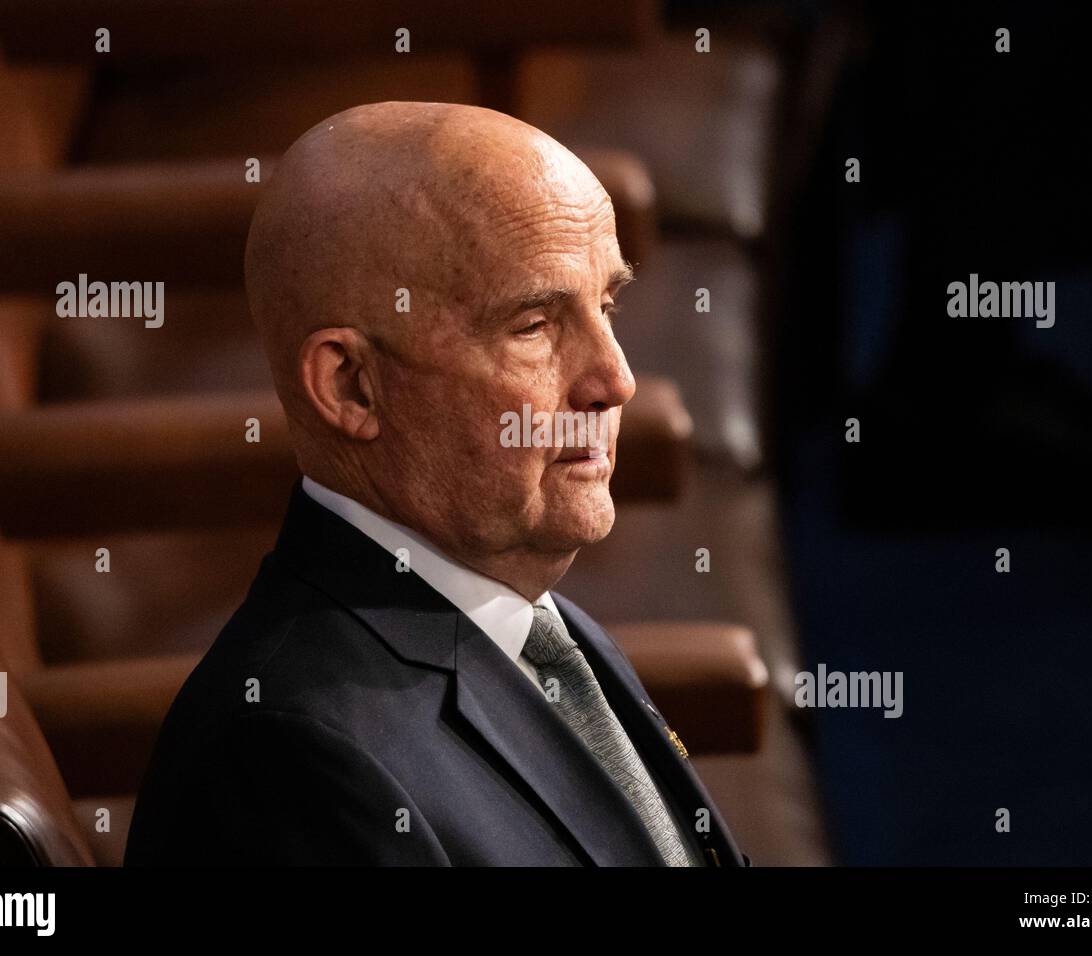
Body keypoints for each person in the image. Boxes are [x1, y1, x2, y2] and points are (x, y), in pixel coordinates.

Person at [125, 102, 747, 866]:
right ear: (353, 387)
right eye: (535, 325)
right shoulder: (288, 761)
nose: (615, 379)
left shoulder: (531, 620)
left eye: (607, 305)